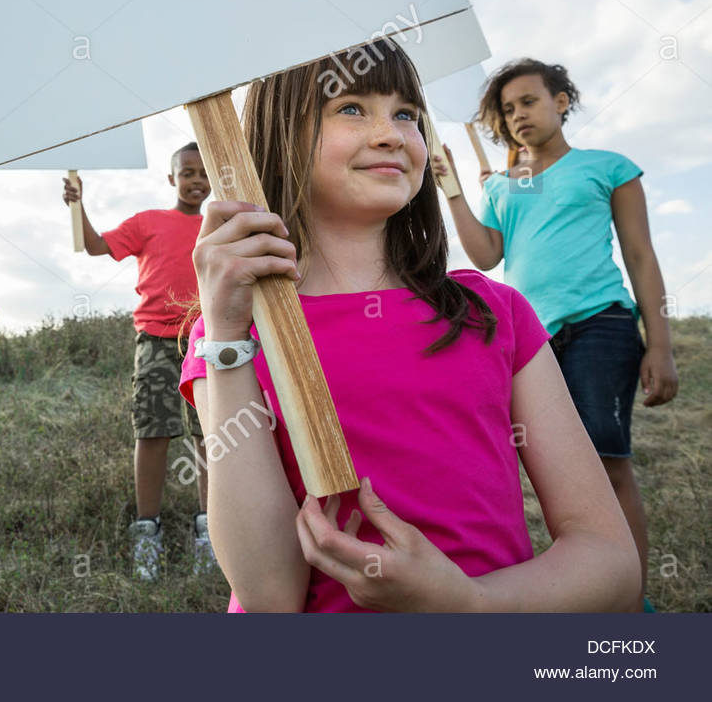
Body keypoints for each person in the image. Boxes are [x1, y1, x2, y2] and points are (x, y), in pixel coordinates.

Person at [179, 40, 639, 612]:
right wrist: (225, 337)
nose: (391, 134)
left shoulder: (494, 313)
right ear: (278, 136)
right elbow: (269, 595)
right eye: (351, 108)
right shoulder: (235, 337)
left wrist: (466, 604)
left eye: (406, 114)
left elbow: (612, 562)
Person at [435, 57, 678, 609]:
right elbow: (486, 255)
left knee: (606, 463)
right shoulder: (505, 187)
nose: (517, 114)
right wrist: (453, 192)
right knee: (556, 473)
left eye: (528, 100)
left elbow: (641, 255)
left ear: (561, 101)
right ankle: (586, 586)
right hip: (532, 343)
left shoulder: (608, 167)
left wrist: (659, 343)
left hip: (602, 323)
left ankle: (630, 606)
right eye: (507, 108)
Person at [63, 144, 213, 579]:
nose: (196, 181)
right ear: (171, 179)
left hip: (206, 340)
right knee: (153, 432)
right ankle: (147, 529)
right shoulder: (148, 222)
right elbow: (94, 246)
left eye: (203, 173)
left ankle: (210, 529)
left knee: (208, 435)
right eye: (187, 172)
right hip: (156, 341)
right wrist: (78, 203)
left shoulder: (217, 225)